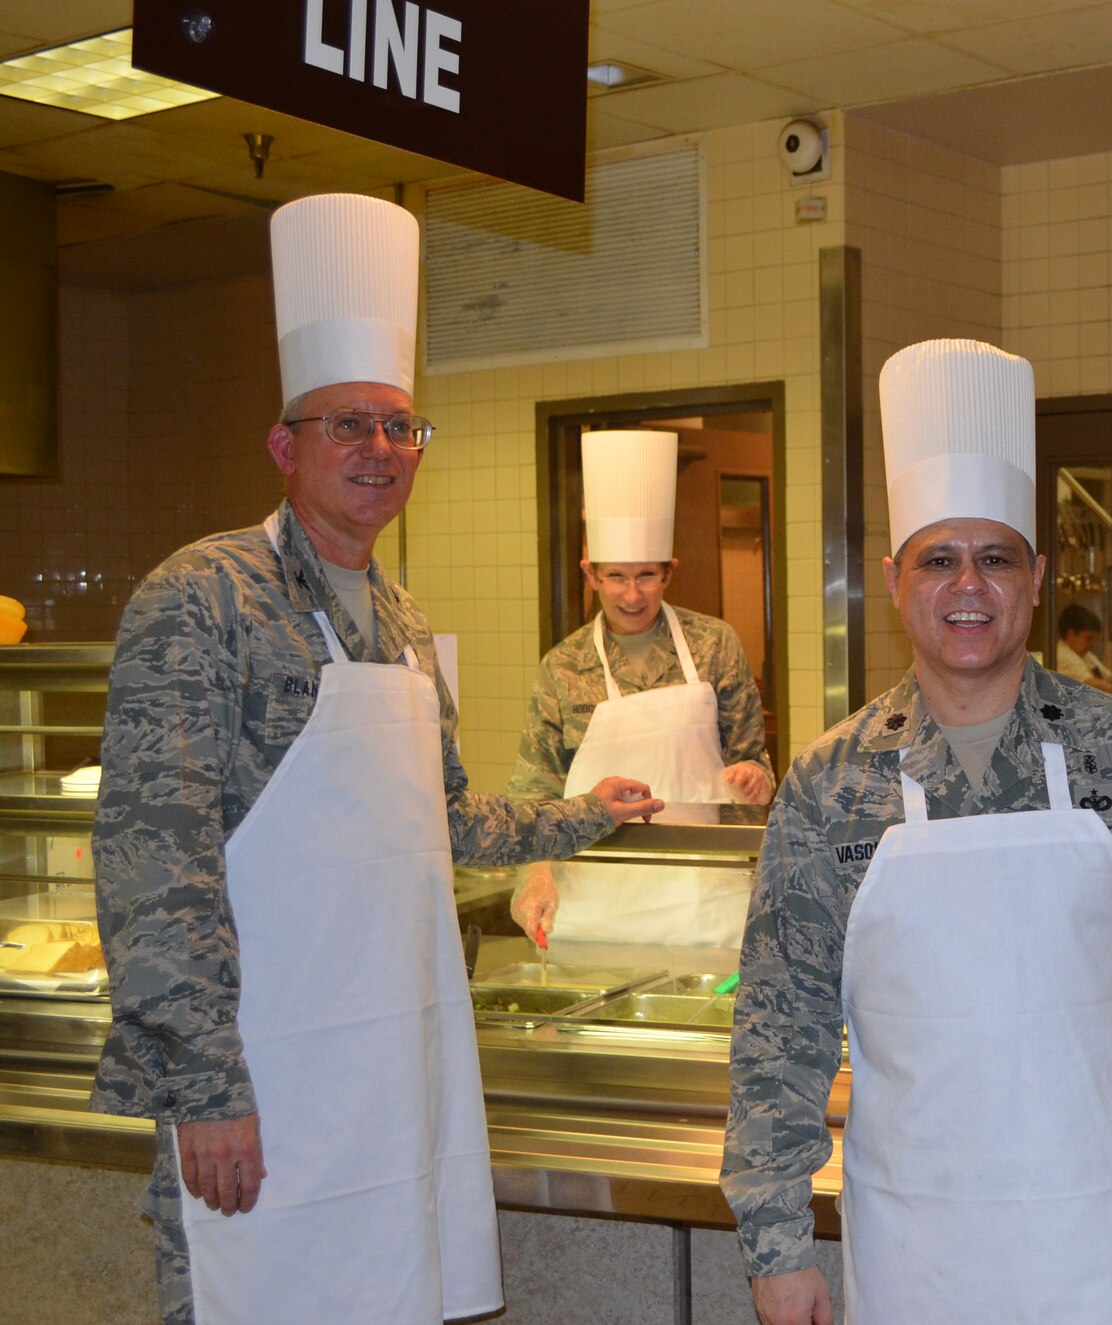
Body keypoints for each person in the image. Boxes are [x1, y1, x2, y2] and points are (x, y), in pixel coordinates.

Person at [89, 194, 665, 1325]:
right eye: (346, 424)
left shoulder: (397, 617)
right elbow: (157, 868)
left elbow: (444, 821)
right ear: (283, 444)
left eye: (400, 427)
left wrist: (579, 811)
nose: (380, 450)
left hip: (388, 1083)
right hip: (258, 1081)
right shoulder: (201, 597)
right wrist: (202, 1087)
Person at [721, 339, 1112, 1325]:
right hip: (919, 1241)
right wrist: (775, 1241)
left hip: (1100, 1238)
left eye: (995, 557)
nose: (969, 585)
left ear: (1036, 576)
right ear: (894, 577)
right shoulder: (830, 782)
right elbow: (780, 1032)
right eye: (939, 558)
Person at [506, 429, 775, 946]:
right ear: (590, 574)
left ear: (670, 572)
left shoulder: (714, 645)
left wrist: (756, 782)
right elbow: (534, 794)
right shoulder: (563, 666)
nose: (632, 595)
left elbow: (752, 763)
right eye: (616, 577)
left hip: (704, 900)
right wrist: (534, 870)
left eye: (647, 575)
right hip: (596, 902)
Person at [1053, 601, 1112, 691]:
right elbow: (1092, 684)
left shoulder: (1085, 655)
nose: (1093, 644)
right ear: (1071, 635)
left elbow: (1109, 677)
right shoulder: (1062, 656)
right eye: (1089, 639)